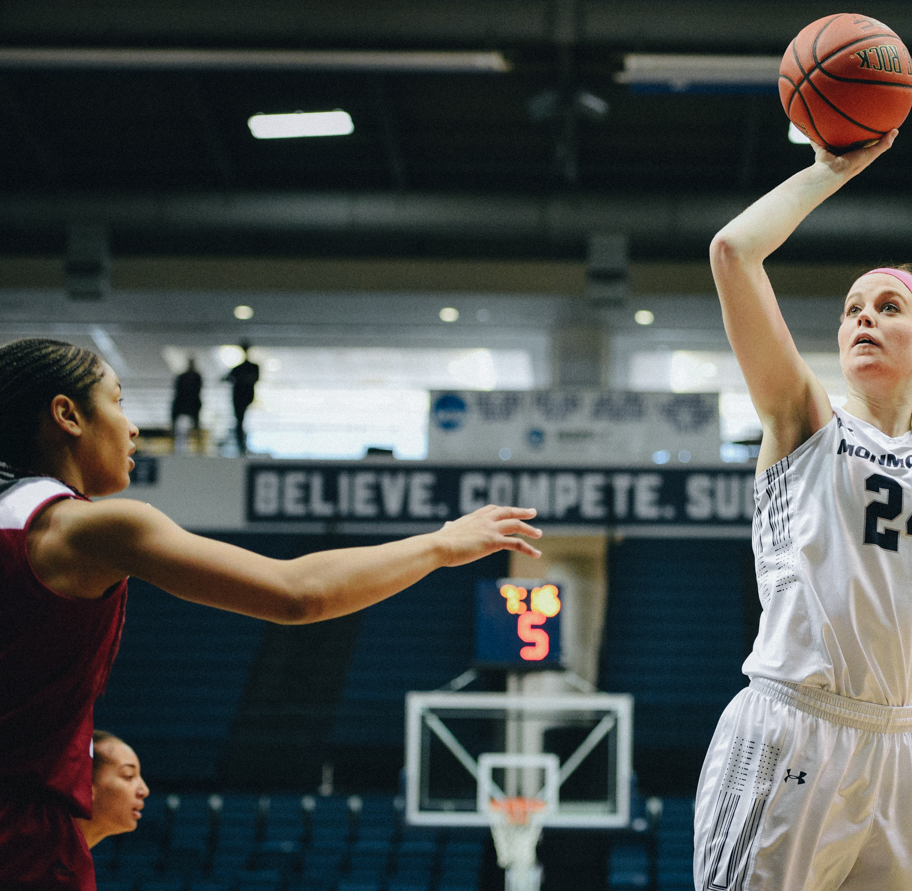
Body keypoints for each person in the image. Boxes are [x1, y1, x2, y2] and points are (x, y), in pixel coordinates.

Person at [0, 336, 542, 891]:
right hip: (22, 844)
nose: (133, 426)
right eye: (117, 401)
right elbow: (296, 592)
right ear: (66, 415)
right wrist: (444, 543)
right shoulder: (88, 530)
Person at [695, 65, 912, 891]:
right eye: (852, 307)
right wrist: (830, 167)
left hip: (899, 742)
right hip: (791, 726)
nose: (862, 319)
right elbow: (734, 253)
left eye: (887, 307)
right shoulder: (805, 420)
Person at [74, 731, 148, 850]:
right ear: (85, 785)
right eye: (129, 776)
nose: (144, 791)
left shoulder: (71, 860)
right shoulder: (40, 853)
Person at [225, 341, 259, 455]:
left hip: (245, 396)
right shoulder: (239, 368)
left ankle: (242, 446)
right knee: (239, 421)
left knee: (241, 421)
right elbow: (227, 378)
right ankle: (241, 446)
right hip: (239, 397)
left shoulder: (251, 367)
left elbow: (254, 378)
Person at [170, 358, 202, 456]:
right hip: (182, 407)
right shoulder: (183, 377)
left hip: (191, 407)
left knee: (190, 431)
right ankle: (179, 450)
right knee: (180, 432)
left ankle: (194, 450)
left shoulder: (196, 377)